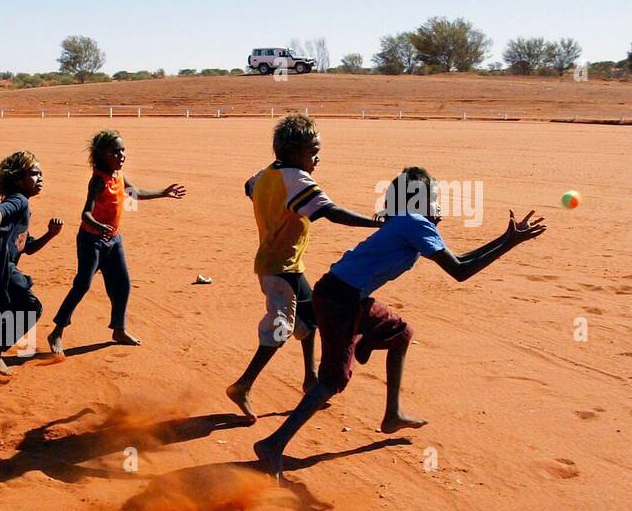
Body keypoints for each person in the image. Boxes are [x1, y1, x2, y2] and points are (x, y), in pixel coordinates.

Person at [253, 168, 547, 474]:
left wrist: (505, 239)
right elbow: (460, 271)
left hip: (343, 293)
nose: (438, 206)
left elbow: (459, 260)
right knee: (332, 380)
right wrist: (509, 243)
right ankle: (273, 444)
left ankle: (392, 412)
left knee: (400, 332)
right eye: (433, 199)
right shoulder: (415, 223)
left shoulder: (408, 222)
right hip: (341, 299)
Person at [225, 114, 384, 423]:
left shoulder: (269, 173)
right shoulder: (296, 178)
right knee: (280, 328)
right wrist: (376, 223)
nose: (317, 157)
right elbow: (332, 212)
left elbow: (249, 186)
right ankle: (243, 385)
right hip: (278, 269)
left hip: (288, 266)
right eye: (313, 150)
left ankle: (310, 376)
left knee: (310, 321)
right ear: (295, 151)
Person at [47, 130, 185, 356]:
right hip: (91, 241)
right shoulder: (98, 181)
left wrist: (163, 192)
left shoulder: (118, 176)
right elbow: (85, 214)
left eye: (123, 150)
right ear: (102, 155)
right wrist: (99, 226)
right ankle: (57, 331)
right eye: (116, 151)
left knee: (122, 285)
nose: (121, 155)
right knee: (82, 285)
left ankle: (118, 330)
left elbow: (135, 193)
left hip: (113, 241)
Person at [0, 151, 63, 376]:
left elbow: (26, 247)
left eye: (41, 174)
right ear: (18, 180)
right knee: (31, 307)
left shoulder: (24, 206)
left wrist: (50, 234)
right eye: (34, 173)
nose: (40, 178)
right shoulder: (18, 200)